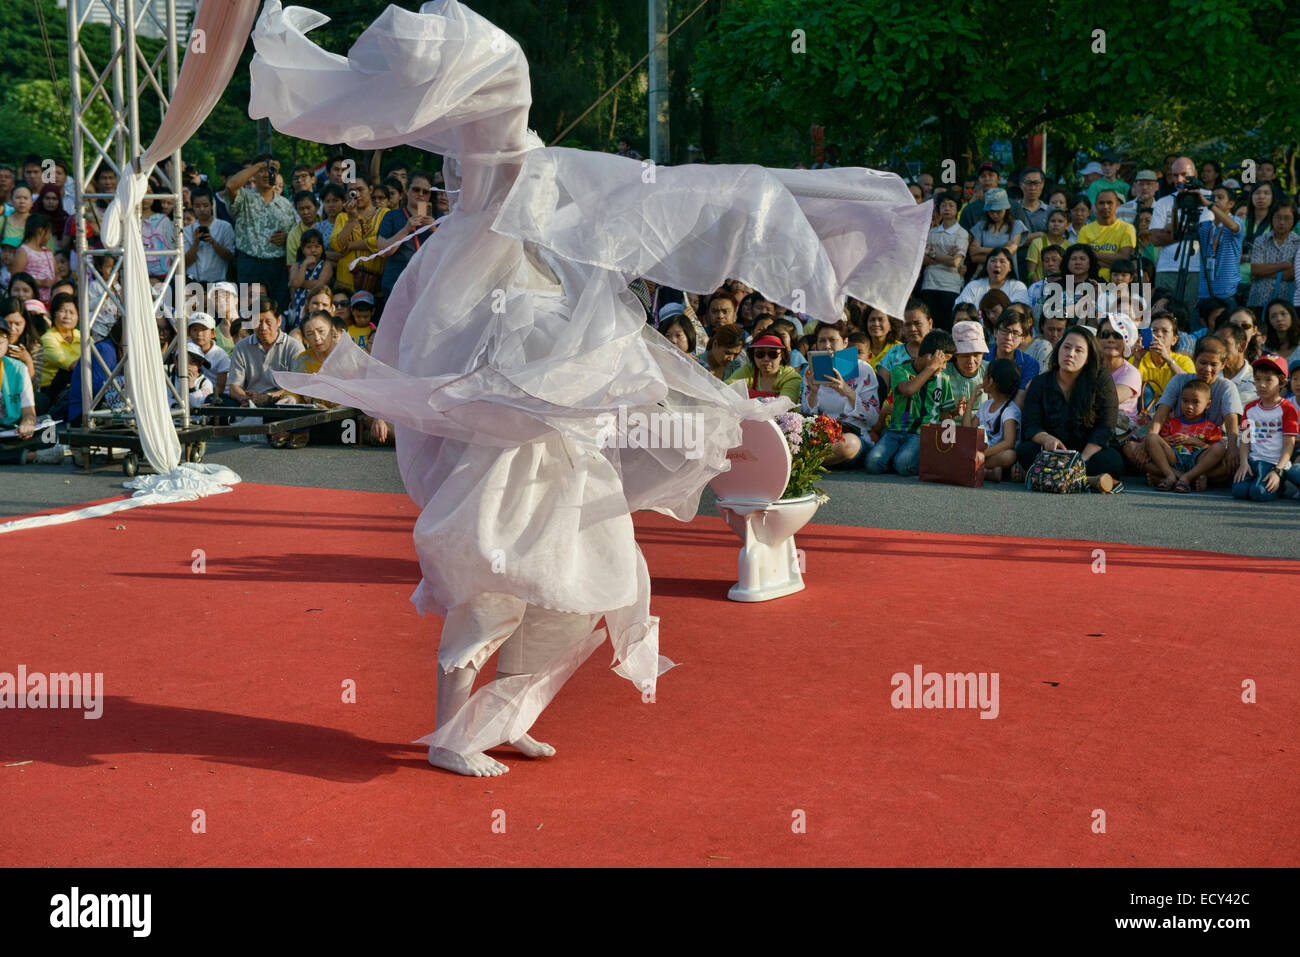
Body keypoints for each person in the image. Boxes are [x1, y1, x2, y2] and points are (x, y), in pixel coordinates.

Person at [1016, 327, 1122, 489]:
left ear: (1088, 357)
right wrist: (1047, 439)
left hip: (1089, 451)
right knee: (1025, 451)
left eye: (1079, 350)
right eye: (1066, 347)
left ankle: (1056, 476)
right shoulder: (1040, 383)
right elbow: (1031, 425)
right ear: (1058, 349)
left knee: (1112, 461)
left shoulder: (1101, 379)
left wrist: (1080, 461)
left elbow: (1106, 427)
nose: (1070, 354)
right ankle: (1085, 480)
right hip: (1054, 452)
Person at [1138, 336, 1243, 487]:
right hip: (1174, 452)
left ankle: (1168, 476)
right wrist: (1149, 439)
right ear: (1194, 360)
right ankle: (1186, 478)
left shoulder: (1226, 386)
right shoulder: (1179, 380)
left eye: (1213, 364)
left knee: (1231, 458)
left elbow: (1231, 421)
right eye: (1203, 362)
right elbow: (1161, 414)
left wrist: (1233, 449)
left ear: (1223, 364)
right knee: (1132, 448)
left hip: (1204, 453)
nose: (1207, 369)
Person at [866, 330, 959, 476]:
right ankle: (898, 460)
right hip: (896, 430)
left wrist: (955, 414)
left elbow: (945, 414)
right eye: (943, 362)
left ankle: (903, 461)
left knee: (903, 464)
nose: (944, 367)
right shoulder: (900, 370)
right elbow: (909, 389)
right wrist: (930, 368)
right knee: (872, 463)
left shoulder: (943, 380)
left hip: (921, 434)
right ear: (930, 358)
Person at [800, 319, 880, 466]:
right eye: (822, 341)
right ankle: (815, 460)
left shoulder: (863, 370)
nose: (827, 345)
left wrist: (847, 390)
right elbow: (805, 413)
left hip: (852, 435)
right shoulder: (810, 370)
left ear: (845, 342)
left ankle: (806, 461)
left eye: (832, 340)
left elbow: (873, 418)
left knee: (849, 444)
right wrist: (813, 392)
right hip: (821, 434)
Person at [224, 156, 296, 308]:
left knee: (278, 308)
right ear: (254, 174)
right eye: (261, 171)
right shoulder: (245, 197)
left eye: (270, 171)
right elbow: (230, 186)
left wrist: (287, 237)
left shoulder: (285, 204)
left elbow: (294, 236)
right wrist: (258, 166)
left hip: (277, 265)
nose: (266, 174)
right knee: (249, 311)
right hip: (250, 263)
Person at [1148, 156, 1213, 311]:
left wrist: (1173, 232)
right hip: (1166, 268)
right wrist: (1187, 231)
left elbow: (1206, 235)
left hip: (1197, 267)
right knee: (1164, 314)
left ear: (1195, 175)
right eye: (1175, 175)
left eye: (1184, 174)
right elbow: (1155, 238)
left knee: (1192, 313)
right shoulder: (1164, 202)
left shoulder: (1208, 198)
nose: (1179, 179)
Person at [1232, 354, 1300, 501]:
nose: (1262, 385)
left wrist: (1278, 470)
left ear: (1282, 382)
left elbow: (1289, 444)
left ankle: (1281, 483)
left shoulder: (1288, 409)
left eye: (1268, 380)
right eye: (1258, 379)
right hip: (1253, 461)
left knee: (1259, 493)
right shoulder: (1249, 408)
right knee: (1239, 491)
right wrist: (1244, 463)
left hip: (1274, 463)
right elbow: (1245, 438)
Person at [1142, 378, 1226, 492]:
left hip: (1197, 462)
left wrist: (1194, 441)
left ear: (1208, 404)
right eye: (1185, 401)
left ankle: (1186, 477)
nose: (1189, 406)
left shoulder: (1211, 427)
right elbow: (1158, 447)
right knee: (1151, 438)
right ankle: (1171, 476)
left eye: (1195, 402)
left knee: (1220, 447)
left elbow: (1213, 451)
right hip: (1174, 458)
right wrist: (1167, 441)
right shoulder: (1171, 423)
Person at [376, 168, 437, 316]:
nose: (421, 195)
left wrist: (436, 230)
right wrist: (406, 229)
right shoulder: (392, 216)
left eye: (426, 191)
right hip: (396, 284)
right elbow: (383, 250)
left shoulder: (439, 219)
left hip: (426, 287)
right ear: (407, 191)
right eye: (416, 190)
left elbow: (450, 252)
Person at [225, 298, 305, 407]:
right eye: (258, 321)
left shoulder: (293, 346)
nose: (263, 327)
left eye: (268, 322)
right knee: (217, 400)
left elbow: (297, 386)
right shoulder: (241, 347)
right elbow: (234, 386)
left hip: (279, 401)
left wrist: (268, 397)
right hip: (250, 400)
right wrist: (245, 398)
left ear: (279, 321)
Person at [962, 356, 1021, 481]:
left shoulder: (1009, 410)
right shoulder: (986, 405)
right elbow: (967, 432)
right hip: (982, 455)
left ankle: (976, 469)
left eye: (985, 376)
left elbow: (1009, 442)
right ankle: (987, 473)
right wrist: (971, 403)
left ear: (991, 382)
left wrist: (982, 454)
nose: (982, 380)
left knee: (1009, 455)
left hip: (993, 455)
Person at [329, 173, 385, 295]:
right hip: (345, 285)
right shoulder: (343, 217)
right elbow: (338, 246)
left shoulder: (384, 214)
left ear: (370, 189)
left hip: (374, 286)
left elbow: (384, 242)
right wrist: (351, 219)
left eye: (360, 189)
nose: (357, 194)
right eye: (352, 191)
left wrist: (351, 246)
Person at [919, 191, 968, 329]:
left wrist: (934, 256)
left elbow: (955, 262)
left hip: (950, 285)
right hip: (929, 283)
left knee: (946, 325)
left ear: (957, 208)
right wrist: (947, 257)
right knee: (930, 324)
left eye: (951, 205)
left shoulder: (962, 233)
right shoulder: (932, 232)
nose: (947, 209)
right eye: (943, 205)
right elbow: (923, 259)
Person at [876, 298, 936, 391]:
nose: (912, 329)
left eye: (917, 323)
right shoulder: (893, 353)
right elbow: (881, 390)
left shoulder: (938, 353)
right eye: (907, 324)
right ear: (902, 327)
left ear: (930, 323)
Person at [1076, 189, 1136, 282]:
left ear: (1117, 205)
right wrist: (1114, 264)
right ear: (1095, 205)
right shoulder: (1085, 230)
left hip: (1118, 283)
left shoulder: (1127, 228)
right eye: (1101, 203)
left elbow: (1124, 258)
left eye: (1109, 203)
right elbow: (1083, 260)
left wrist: (1094, 255)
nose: (1105, 206)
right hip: (1090, 282)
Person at [1246, 200, 1298, 307]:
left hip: (1287, 304)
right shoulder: (1260, 240)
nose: (1282, 222)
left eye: (1287, 218)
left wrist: (1263, 273)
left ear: (1294, 220)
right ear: (1271, 218)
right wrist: (1283, 265)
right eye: (1278, 217)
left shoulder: (1298, 243)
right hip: (1259, 300)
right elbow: (1255, 269)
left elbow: (1292, 274)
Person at [967, 188, 1027, 280]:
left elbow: (1010, 251)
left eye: (999, 211)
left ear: (1006, 209)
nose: (995, 215)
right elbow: (974, 255)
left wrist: (982, 249)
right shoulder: (980, 226)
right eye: (991, 211)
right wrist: (1002, 254)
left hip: (1008, 278)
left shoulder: (1016, 225)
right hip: (983, 277)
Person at [183, 186, 236, 283]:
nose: (202, 209)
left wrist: (213, 242)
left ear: (212, 205)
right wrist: (196, 243)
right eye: (197, 206)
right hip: (193, 281)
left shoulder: (225, 227)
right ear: (192, 206)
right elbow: (185, 263)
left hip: (218, 280)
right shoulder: (187, 231)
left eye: (205, 205)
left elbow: (230, 257)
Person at [1096, 313, 1142, 424]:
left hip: (1121, 429)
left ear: (1126, 341)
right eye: (1105, 334)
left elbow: (1108, 399)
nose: (1111, 340)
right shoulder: (1090, 366)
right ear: (1097, 339)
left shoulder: (1132, 373)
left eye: (1117, 335)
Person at [726, 334, 801, 402]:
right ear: (753, 355)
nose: (766, 359)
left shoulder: (791, 377)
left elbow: (785, 403)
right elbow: (725, 390)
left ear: (782, 355)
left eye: (772, 354)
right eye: (760, 354)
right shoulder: (749, 370)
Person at [984, 309, 1037, 405]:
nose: (1008, 338)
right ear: (995, 332)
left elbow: (1020, 399)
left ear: (1023, 338)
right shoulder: (983, 358)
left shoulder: (1030, 364)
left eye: (1015, 333)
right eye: (1005, 330)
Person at [286, 228, 333, 332]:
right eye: (309, 247)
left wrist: (299, 283)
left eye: (317, 246)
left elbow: (319, 285)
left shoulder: (326, 265)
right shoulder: (296, 266)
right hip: (299, 308)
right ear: (302, 249)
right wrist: (305, 264)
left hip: (318, 307)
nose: (313, 250)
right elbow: (294, 284)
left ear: (322, 248)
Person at [955, 247, 1029, 310]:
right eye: (993, 261)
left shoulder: (1018, 287)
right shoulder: (973, 286)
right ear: (986, 265)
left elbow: (1019, 313)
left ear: (1010, 267)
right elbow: (960, 309)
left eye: (1002, 261)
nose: (997, 265)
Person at [38, 292, 80, 399]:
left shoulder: (82, 336)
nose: (67, 316)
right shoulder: (48, 338)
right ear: (54, 314)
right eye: (62, 311)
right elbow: (68, 364)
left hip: (76, 385)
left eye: (72, 312)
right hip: (52, 390)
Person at [12, 215, 56, 307]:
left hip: (49, 300)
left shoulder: (48, 252)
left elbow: (56, 273)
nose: (48, 237)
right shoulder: (24, 251)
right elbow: (16, 277)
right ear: (40, 231)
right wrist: (41, 282)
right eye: (48, 233)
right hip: (30, 301)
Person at [947, 319, 989, 410]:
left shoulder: (988, 370)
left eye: (976, 354)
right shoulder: (944, 373)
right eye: (965, 355)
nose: (971, 361)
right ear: (955, 354)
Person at [186, 312, 229, 396]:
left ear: (213, 333)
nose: (199, 333)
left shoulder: (221, 355)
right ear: (189, 332)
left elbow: (220, 387)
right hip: (190, 392)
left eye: (203, 329)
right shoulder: (184, 348)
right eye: (195, 329)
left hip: (215, 397)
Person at [1026, 210, 1071, 281]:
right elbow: (1031, 272)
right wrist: (1040, 287)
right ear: (1047, 223)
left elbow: (1071, 272)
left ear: (1067, 225)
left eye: (1060, 221)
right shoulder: (1036, 243)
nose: (1056, 224)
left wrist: (1069, 290)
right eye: (1053, 221)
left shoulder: (1070, 246)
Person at [1263, 298, 1300, 364]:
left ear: (1292, 316)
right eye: (1273, 316)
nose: (1279, 319)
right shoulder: (1265, 348)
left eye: (1283, 314)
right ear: (1269, 321)